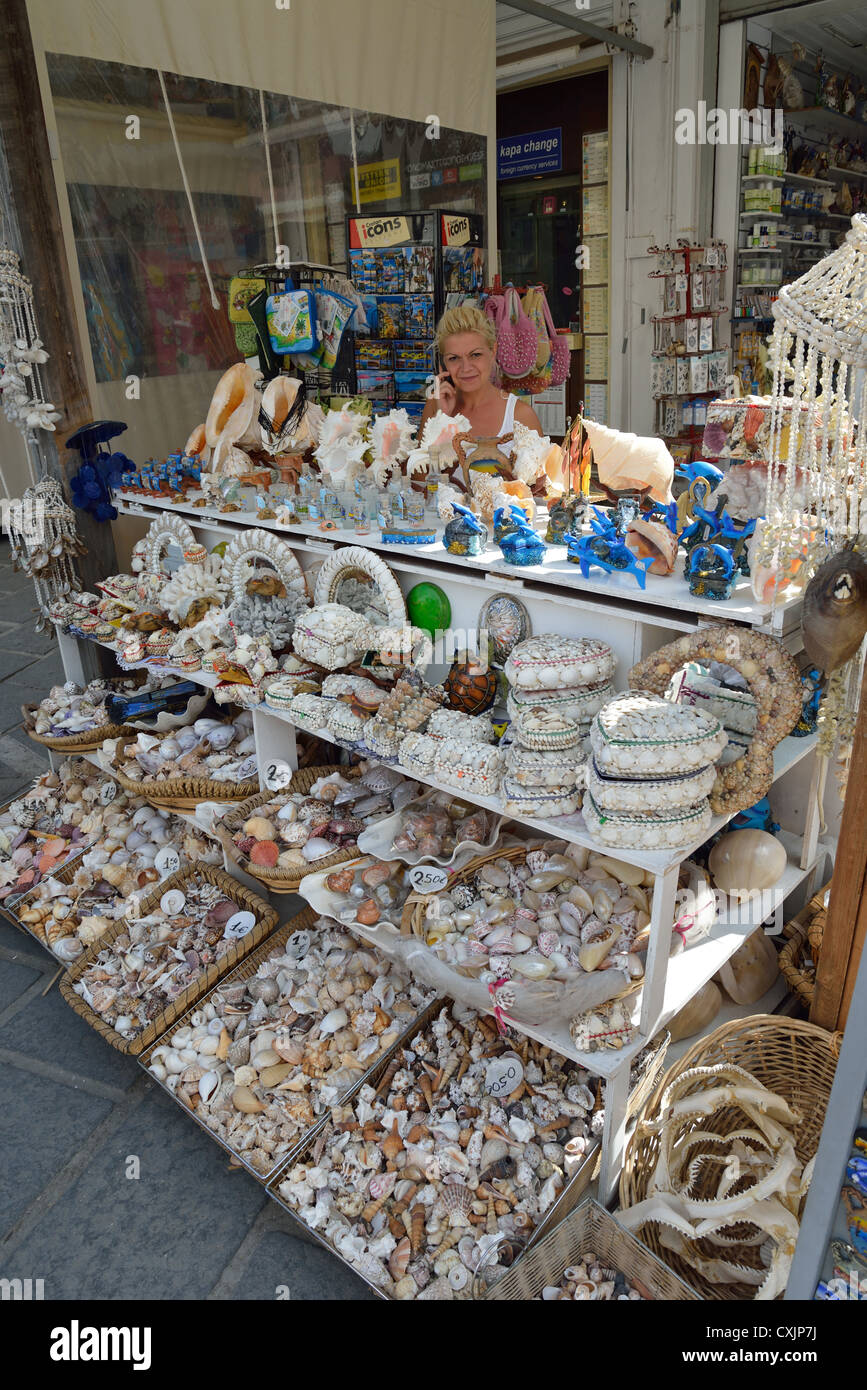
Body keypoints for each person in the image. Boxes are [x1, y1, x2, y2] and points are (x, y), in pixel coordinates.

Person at [418, 303, 543, 453]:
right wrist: (442, 420)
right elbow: (418, 475)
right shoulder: (435, 405)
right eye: (453, 358)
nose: (466, 368)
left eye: (475, 355)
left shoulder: (520, 416)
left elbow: (540, 475)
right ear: (443, 363)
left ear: (493, 351)